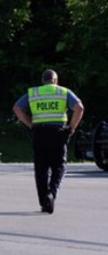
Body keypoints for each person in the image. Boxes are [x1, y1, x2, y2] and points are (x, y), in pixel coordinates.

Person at [12, 69, 84, 214]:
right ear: (55, 80)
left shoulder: (34, 93)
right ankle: (52, 193)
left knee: (41, 168)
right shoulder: (63, 92)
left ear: (43, 81)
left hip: (39, 133)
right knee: (59, 166)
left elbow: (17, 108)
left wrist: (30, 124)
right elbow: (79, 108)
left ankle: (44, 202)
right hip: (58, 132)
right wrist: (72, 127)